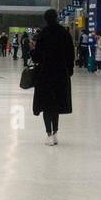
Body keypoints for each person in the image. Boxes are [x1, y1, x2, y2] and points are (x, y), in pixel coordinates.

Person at [30, 9, 75, 144]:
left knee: (46, 105)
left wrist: (32, 50)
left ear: (45, 19)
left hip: (45, 74)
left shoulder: (43, 34)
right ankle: (55, 133)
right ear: (56, 18)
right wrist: (70, 69)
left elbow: (37, 57)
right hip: (60, 74)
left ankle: (49, 134)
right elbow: (70, 53)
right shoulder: (64, 33)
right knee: (55, 105)